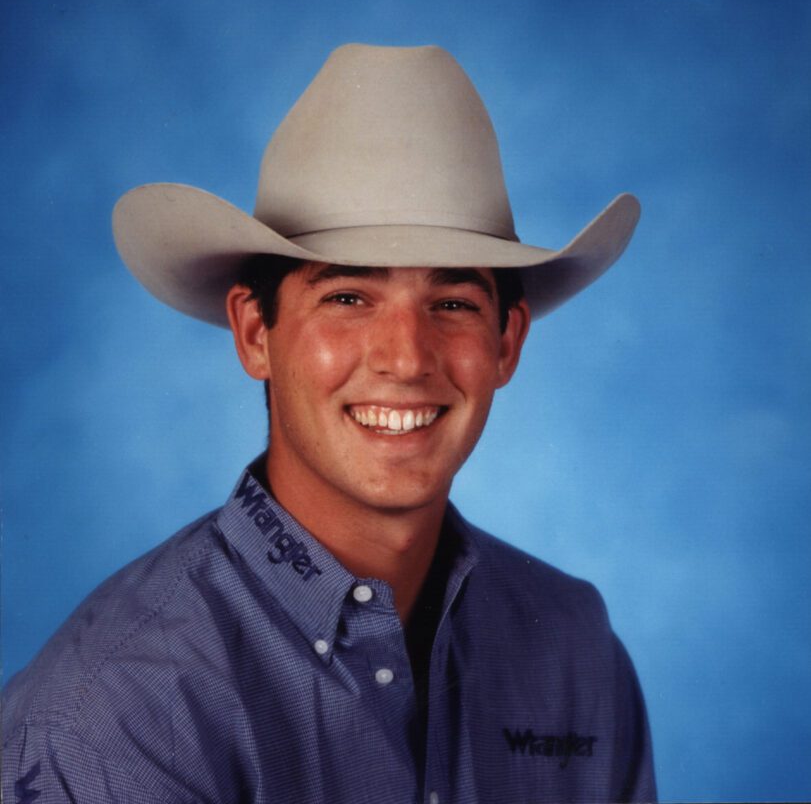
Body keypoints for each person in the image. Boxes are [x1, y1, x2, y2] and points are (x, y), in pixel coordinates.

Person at [2, 44, 656, 803]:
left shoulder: (570, 648)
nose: (406, 358)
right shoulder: (117, 717)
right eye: (347, 298)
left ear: (506, 342)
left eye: (452, 303)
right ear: (255, 333)